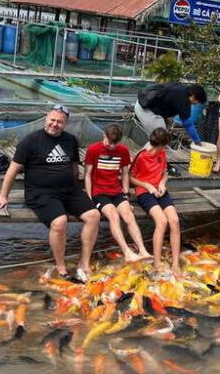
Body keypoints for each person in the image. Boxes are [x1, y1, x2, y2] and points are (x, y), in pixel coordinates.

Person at [0, 105, 99, 283]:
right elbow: (13, 169)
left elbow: (73, 166)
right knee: (60, 222)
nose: (55, 124)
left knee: (94, 215)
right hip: (40, 193)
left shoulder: (71, 140)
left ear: (65, 124)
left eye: (59, 122)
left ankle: (84, 263)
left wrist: (75, 185)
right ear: (46, 119)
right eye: (52, 120)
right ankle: (61, 267)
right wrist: (4, 196)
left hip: (69, 191)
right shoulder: (30, 141)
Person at [85, 123, 151, 263]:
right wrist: (90, 197)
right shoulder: (93, 150)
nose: (112, 146)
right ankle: (127, 252)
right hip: (99, 192)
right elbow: (87, 174)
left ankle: (143, 250)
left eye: (115, 143)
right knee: (114, 216)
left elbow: (125, 173)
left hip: (116, 190)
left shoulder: (123, 150)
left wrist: (126, 195)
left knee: (128, 215)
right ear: (104, 136)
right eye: (109, 142)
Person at [129, 127, 182, 276]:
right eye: (164, 146)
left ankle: (176, 262)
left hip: (159, 190)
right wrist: (147, 185)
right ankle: (157, 262)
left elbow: (165, 173)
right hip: (144, 192)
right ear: (158, 145)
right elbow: (130, 178)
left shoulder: (162, 153)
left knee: (174, 220)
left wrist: (162, 184)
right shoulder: (141, 156)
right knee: (162, 221)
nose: (165, 149)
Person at [134, 82, 207, 145]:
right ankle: (147, 158)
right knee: (160, 139)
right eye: (197, 102)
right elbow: (188, 124)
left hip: (145, 104)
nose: (194, 104)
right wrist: (197, 141)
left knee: (158, 141)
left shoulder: (182, 89)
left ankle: (151, 158)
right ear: (193, 96)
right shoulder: (183, 98)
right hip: (146, 110)